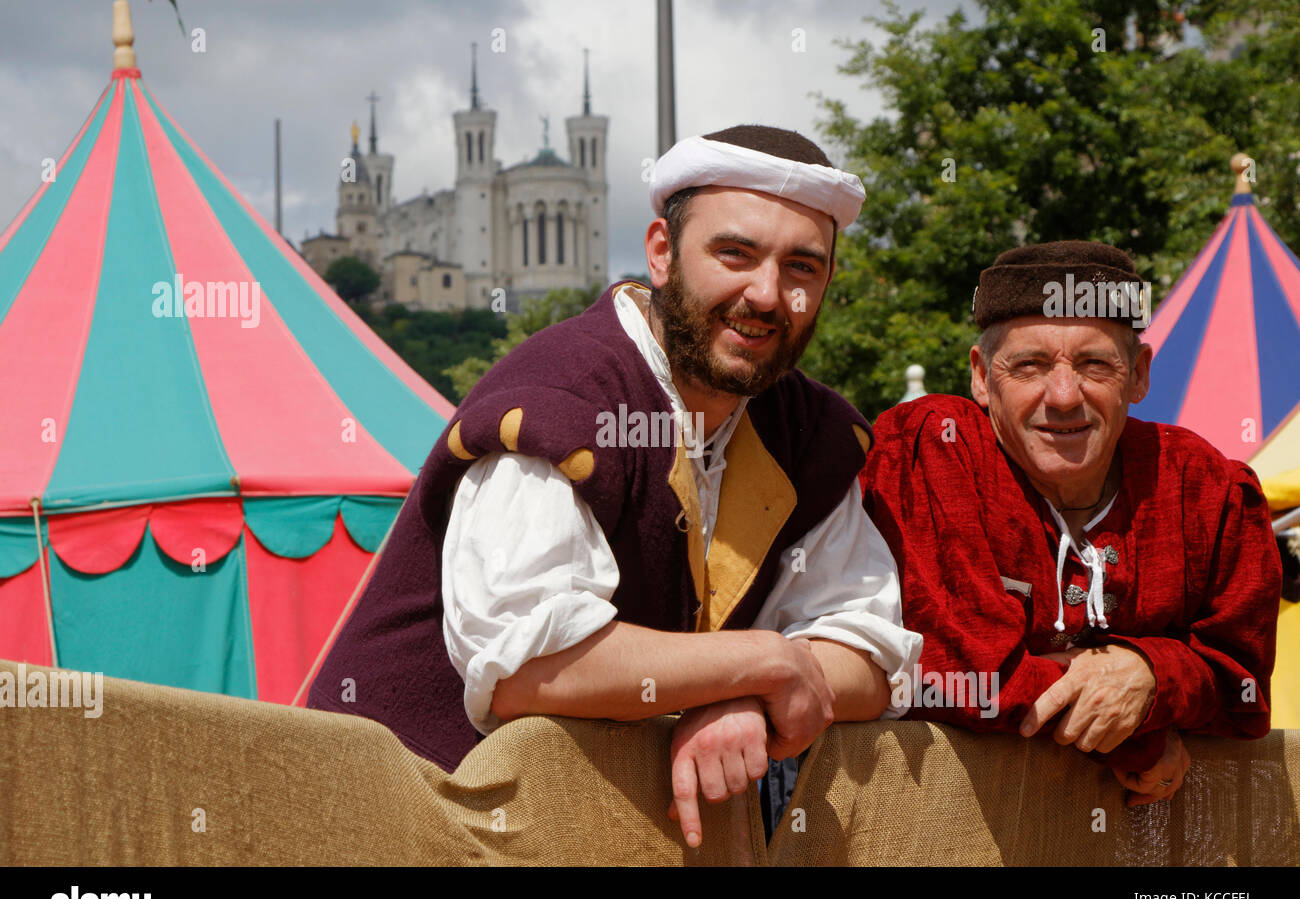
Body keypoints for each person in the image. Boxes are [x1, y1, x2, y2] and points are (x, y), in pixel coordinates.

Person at [308, 125, 922, 846]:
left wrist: (747, 699)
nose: (765, 293)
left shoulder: (810, 433)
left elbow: (873, 654)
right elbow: (528, 665)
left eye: (802, 267)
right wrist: (762, 663)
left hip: (591, 839)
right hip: (407, 831)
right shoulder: (561, 394)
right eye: (735, 253)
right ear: (661, 252)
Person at [863, 240, 1281, 807]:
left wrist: (1149, 673)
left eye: (1094, 365)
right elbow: (960, 674)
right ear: (982, 377)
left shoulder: (1204, 486)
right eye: (1029, 365)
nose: (1063, 396)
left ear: (1138, 376)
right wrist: (1144, 733)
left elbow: (1244, 686)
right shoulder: (936, 447)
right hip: (937, 828)